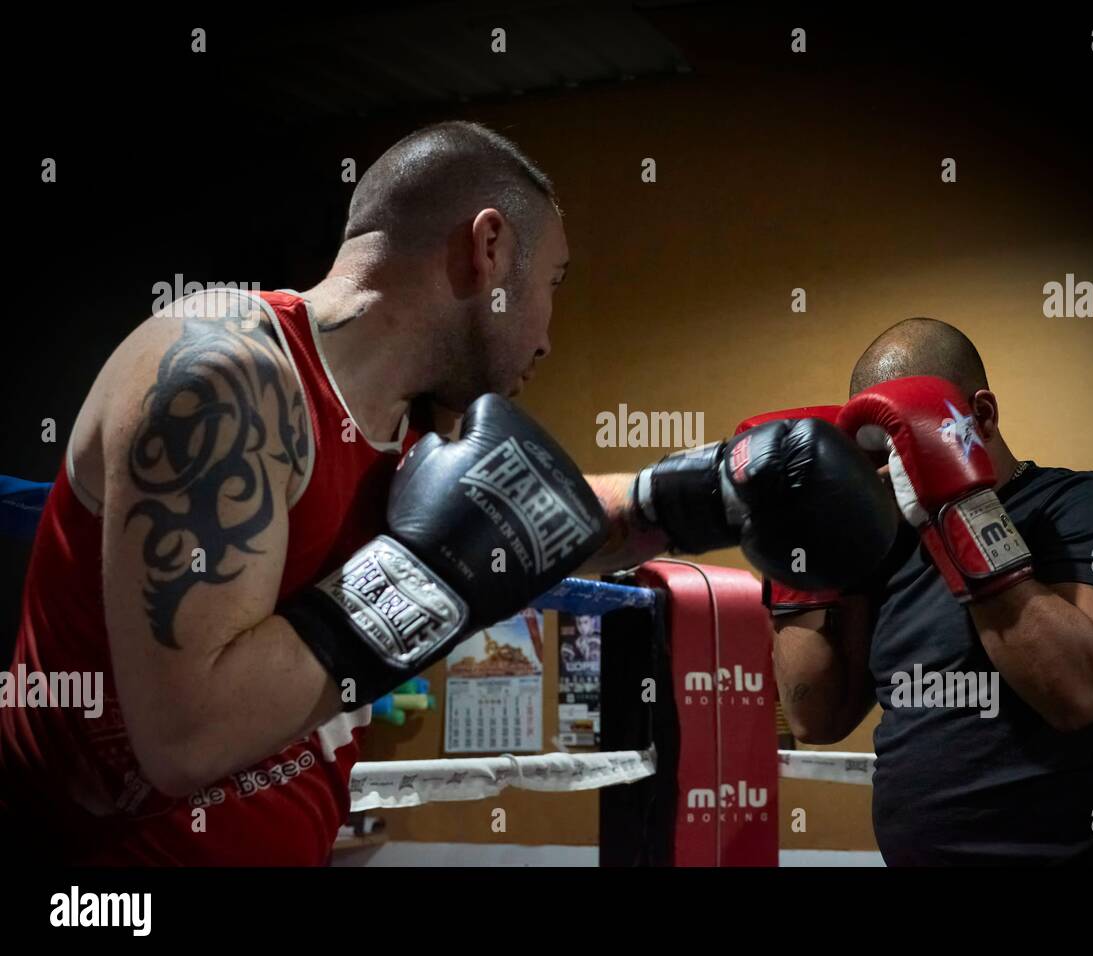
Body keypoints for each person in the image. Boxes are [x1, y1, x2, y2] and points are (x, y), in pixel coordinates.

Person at [0, 121, 894, 865]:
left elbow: (529, 520)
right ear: (488, 246)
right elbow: (185, 737)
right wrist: (423, 575)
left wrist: (711, 491)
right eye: (552, 285)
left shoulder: (415, 436)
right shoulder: (225, 374)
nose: (547, 332)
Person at [769, 317, 1093, 865]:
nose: (886, 469)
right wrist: (796, 548)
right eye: (873, 448)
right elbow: (817, 717)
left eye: (903, 437)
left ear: (982, 414)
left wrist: (956, 507)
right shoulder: (884, 541)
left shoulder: (1083, 506)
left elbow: (1079, 691)